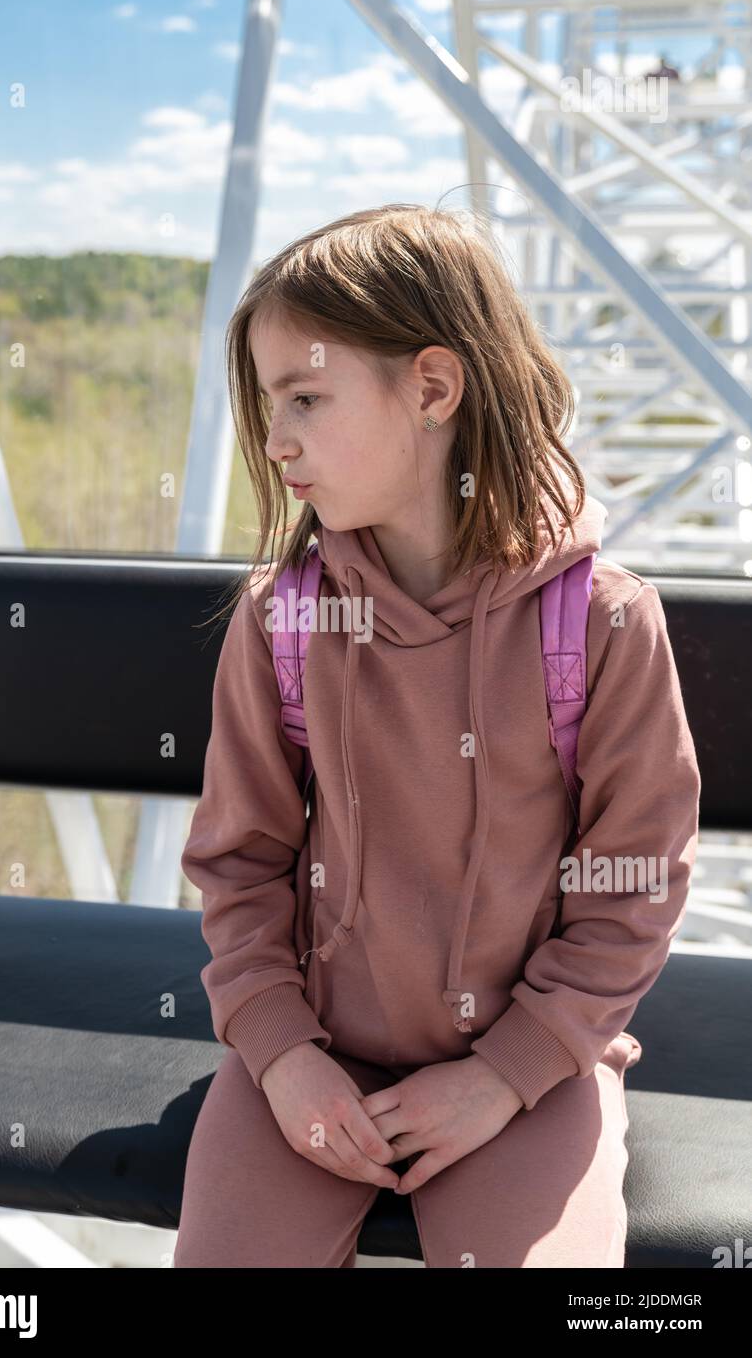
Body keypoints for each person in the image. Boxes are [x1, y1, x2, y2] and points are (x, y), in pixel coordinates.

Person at [173, 202, 701, 1268]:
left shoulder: (596, 625)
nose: (273, 442)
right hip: (312, 1058)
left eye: (304, 398)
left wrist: (510, 1069)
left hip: (528, 1073)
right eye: (269, 406)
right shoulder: (283, 623)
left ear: (430, 388)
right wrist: (280, 1056)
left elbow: (631, 884)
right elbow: (241, 865)